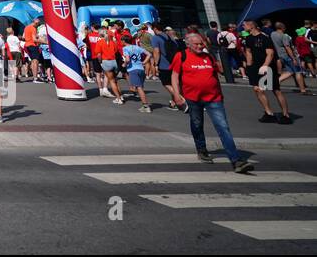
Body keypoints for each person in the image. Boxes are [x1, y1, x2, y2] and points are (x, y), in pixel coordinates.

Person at [170, 31, 254, 173]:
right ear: (188, 44)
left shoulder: (207, 55)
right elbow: (175, 75)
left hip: (213, 98)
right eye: (196, 44)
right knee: (197, 124)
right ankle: (201, 149)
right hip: (192, 98)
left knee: (223, 127)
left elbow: (219, 70)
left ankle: (236, 160)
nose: (199, 46)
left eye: (201, 43)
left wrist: (212, 54)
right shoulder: (181, 56)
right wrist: (177, 95)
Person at [243, 19, 292, 124]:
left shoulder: (265, 38)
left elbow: (270, 54)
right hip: (255, 67)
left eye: (244, 25)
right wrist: (249, 67)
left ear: (251, 26)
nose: (243, 27)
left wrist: (265, 66)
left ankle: (285, 115)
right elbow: (248, 52)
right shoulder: (248, 38)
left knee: (276, 90)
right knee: (258, 89)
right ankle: (269, 113)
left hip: (268, 67)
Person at [270, 22, 310, 95]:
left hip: (280, 55)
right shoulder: (284, 36)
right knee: (298, 71)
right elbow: (287, 47)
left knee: (290, 71)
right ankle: (303, 90)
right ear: (282, 28)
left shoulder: (273, 34)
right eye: (284, 27)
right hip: (287, 56)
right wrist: (293, 58)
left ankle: (275, 84)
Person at [121, 33, 153, 113]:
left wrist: (124, 64)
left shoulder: (125, 48)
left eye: (121, 41)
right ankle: (144, 105)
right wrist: (144, 62)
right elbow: (149, 54)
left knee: (139, 88)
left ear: (124, 41)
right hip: (141, 69)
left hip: (133, 69)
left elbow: (128, 59)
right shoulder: (137, 47)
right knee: (140, 87)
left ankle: (145, 106)